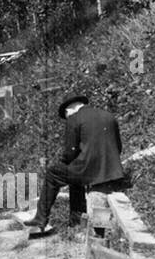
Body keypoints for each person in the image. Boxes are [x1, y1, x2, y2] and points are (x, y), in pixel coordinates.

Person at [22, 94, 127, 238]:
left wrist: (65, 162)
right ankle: (76, 220)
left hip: (90, 170)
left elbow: (70, 152)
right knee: (74, 176)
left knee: (53, 173)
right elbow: (118, 147)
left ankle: (40, 219)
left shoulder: (74, 118)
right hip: (113, 171)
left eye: (65, 115)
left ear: (68, 110)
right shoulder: (108, 115)